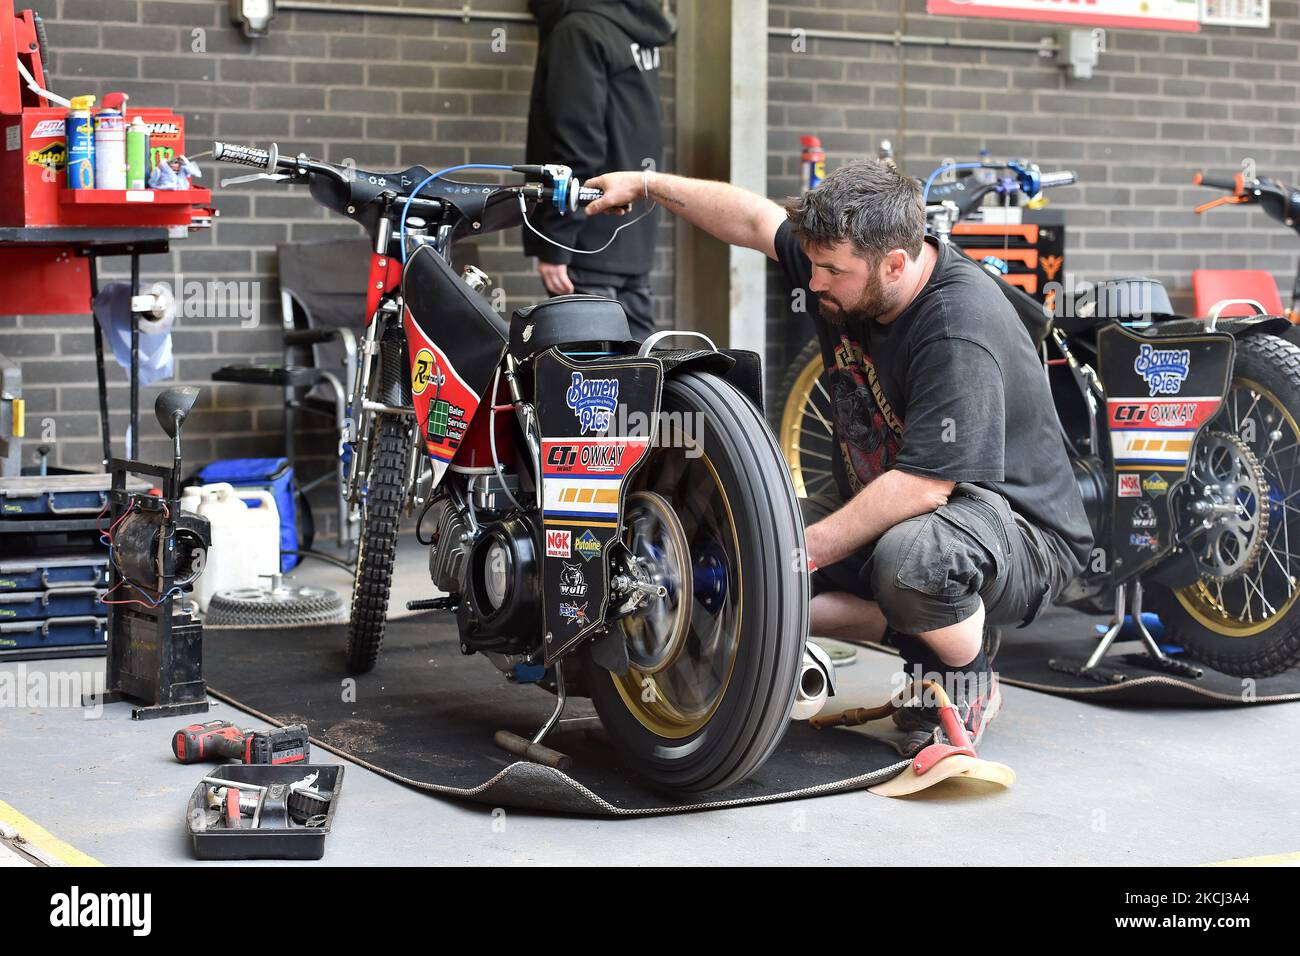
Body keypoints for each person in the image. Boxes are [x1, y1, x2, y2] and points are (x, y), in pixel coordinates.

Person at [584, 160, 1094, 753]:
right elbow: (752, 218)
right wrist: (648, 185)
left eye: (832, 271)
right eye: (814, 263)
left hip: (1016, 528)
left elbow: (924, 488)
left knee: (907, 564)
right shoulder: (845, 259)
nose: (815, 283)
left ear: (895, 265)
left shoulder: (957, 326)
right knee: (732, 554)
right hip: (916, 509)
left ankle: (968, 672)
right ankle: (923, 637)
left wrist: (796, 556)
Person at [524, 0, 672, 341]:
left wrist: (556, 242)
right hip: (629, 238)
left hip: (585, 241)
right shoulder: (634, 26)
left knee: (590, 383)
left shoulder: (577, 32)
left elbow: (577, 146)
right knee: (639, 374)